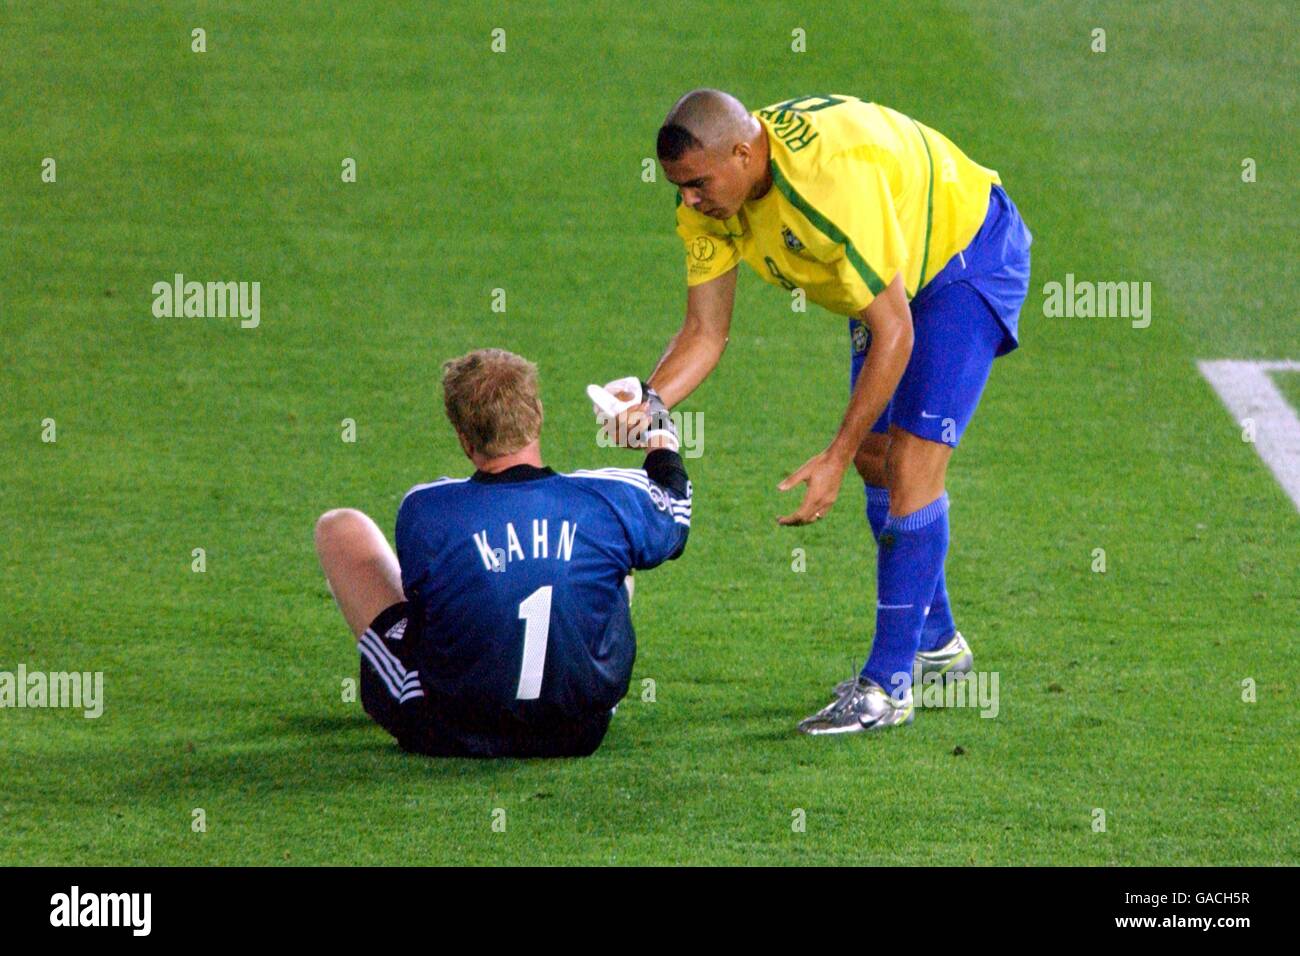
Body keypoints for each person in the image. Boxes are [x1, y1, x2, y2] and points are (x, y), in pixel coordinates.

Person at [608, 90, 1030, 734]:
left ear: (744, 153)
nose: (689, 199)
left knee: (913, 461)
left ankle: (888, 688)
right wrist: (651, 397)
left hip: (964, 256)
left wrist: (830, 456)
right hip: (894, 276)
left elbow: (897, 334)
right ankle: (937, 646)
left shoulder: (830, 188)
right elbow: (704, 332)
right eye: (680, 187)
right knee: (875, 458)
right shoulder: (712, 199)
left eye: (697, 183)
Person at [314, 348, 692, 757]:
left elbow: (427, 604)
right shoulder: (611, 497)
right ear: (538, 414)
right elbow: (676, 507)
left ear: (463, 438)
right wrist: (656, 425)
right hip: (580, 728)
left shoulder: (427, 508)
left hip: (448, 727)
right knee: (611, 558)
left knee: (340, 528)